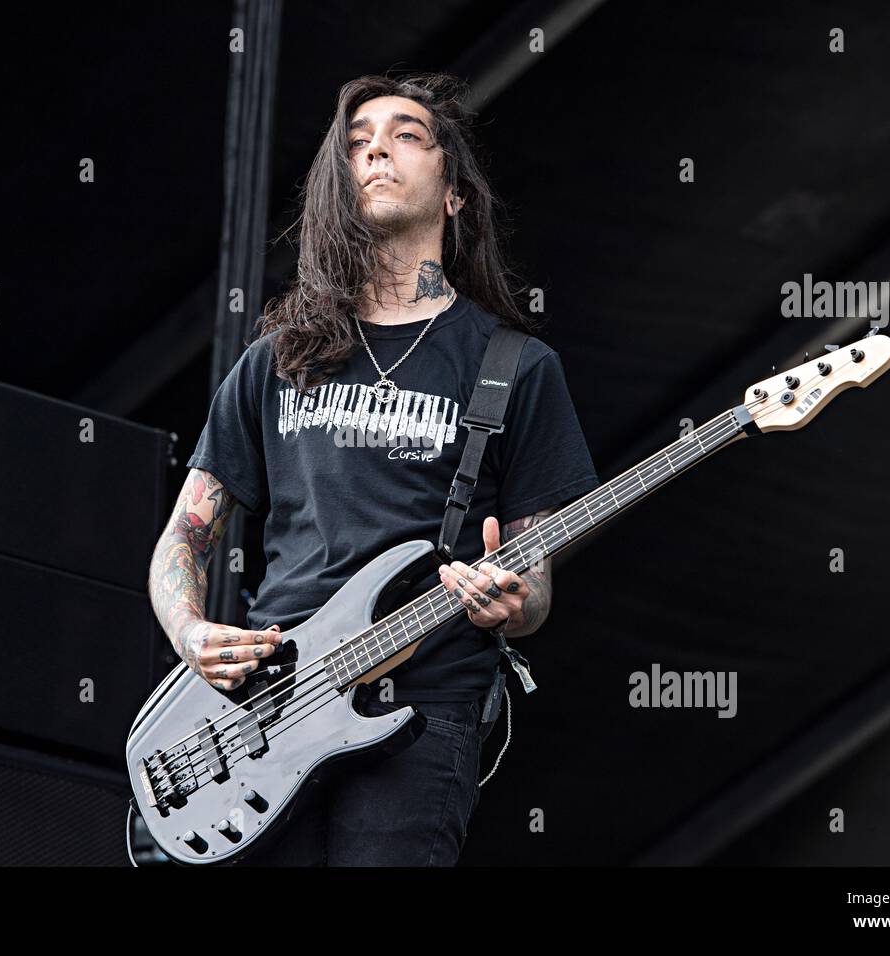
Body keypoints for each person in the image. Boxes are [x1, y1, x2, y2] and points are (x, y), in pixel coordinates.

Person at [147, 72, 598, 866]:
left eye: (406, 134)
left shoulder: (515, 369)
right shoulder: (277, 361)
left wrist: (509, 601)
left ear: (454, 192)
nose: (377, 150)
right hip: (264, 713)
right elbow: (185, 535)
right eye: (356, 144)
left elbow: (536, 599)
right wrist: (190, 633)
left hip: (419, 717)